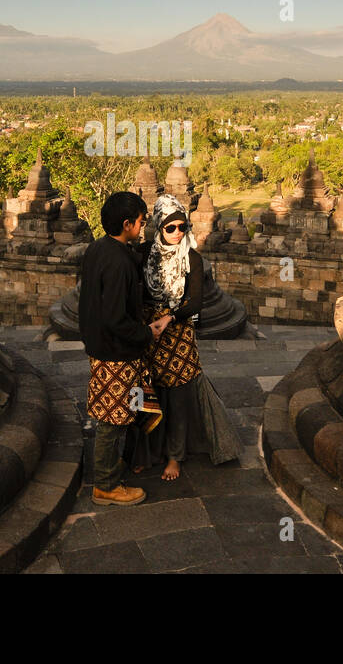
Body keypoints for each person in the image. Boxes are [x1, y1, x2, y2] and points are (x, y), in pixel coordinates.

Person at [128, 193, 241, 481]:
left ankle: (174, 457)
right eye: (170, 227)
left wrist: (168, 318)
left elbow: (195, 302)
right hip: (147, 334)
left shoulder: (192, 258)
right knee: (147, 393)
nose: (178, 233)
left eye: (183, 227)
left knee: (177, 397)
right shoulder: (142, 255)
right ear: (158, 226)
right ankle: (146, 452)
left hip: (178, 334)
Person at [78, 191, 172, 506]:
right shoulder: (118, 262)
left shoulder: (98, 249)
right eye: (142, 222)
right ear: (127, 223)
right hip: (116, 352)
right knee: (112, 421)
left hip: (100, 347)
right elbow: (116, 317)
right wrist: (148, 332)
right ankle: (105, 485)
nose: (144, 228)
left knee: (114, 414)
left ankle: (108, 467)